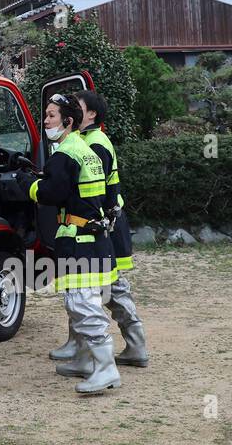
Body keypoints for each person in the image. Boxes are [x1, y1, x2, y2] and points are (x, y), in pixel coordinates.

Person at [16, 92, 121, 394]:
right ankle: (86, 362)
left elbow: (51, 195)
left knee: (82, 304)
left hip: (80, 241)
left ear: (68, 121)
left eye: (50, 115)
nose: (45, 120)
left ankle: (106, 369)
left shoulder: (65, 154)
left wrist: (28, 184)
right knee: (80, 303)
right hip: (92, 238)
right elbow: (77, 189)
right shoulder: (82, 149)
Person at [70, 90, 149, 367]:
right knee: (88, 285)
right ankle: (81, 348)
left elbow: (94, 193)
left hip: (104, 225)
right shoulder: (84, 139)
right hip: (104, 223)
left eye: (77, 106)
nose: (71, 110)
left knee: (110, 287)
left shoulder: (96, 143)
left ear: (91, 114)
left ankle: (133, 346)